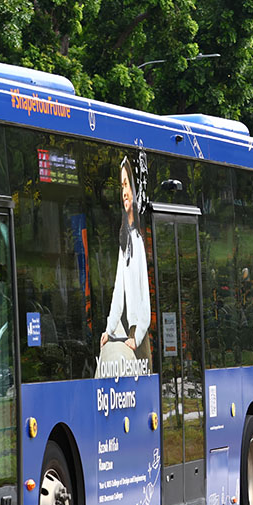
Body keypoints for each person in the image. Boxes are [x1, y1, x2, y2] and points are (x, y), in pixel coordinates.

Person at [98, 156, 151, 375]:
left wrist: (136, 338)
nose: (124, 192)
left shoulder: (137, 241)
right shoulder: (125, 239)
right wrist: (108, 330)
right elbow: (118, 292)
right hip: (130, 335)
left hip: (138, 337)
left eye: (127, 184)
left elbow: (144, 300)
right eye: (121, 186)